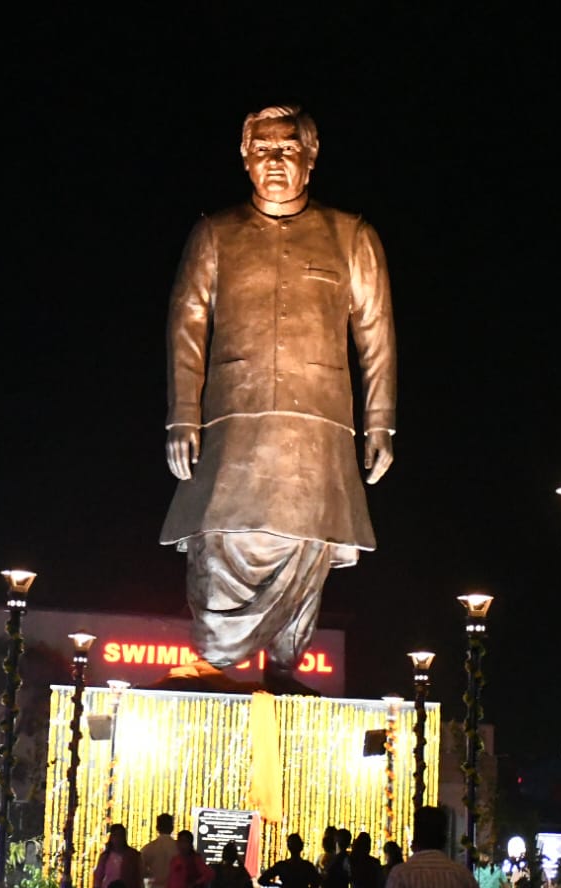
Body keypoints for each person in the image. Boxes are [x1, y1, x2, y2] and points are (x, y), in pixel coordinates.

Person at [159, 104, 398, 695]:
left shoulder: (351, 236)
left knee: (303, 540)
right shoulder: (215, 234)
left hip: (317, 428)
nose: (274, 161)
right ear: (245, 159)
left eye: (287, 149)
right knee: (222, 538)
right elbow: (186, 324)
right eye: (262, 149)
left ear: (310, 158)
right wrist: (182, 411)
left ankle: (284, 664)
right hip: (231, 426)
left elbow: (377, 333)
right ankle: (216, 658)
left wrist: (380, 421)